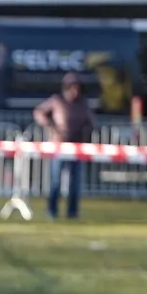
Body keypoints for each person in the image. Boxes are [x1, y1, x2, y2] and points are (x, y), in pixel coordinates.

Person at [35, 71, 94, 220]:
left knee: (75, 183)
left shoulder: (82, 103)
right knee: (55, 181)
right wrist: (50, 125)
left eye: (77, 87)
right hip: (59, 146)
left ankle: (72, 212)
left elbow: (91, 121)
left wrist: (87, 131)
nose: (75, 90)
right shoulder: (56, 101)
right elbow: (39, 112)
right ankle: (52, 211)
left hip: (77, 147)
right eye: (72, 87)